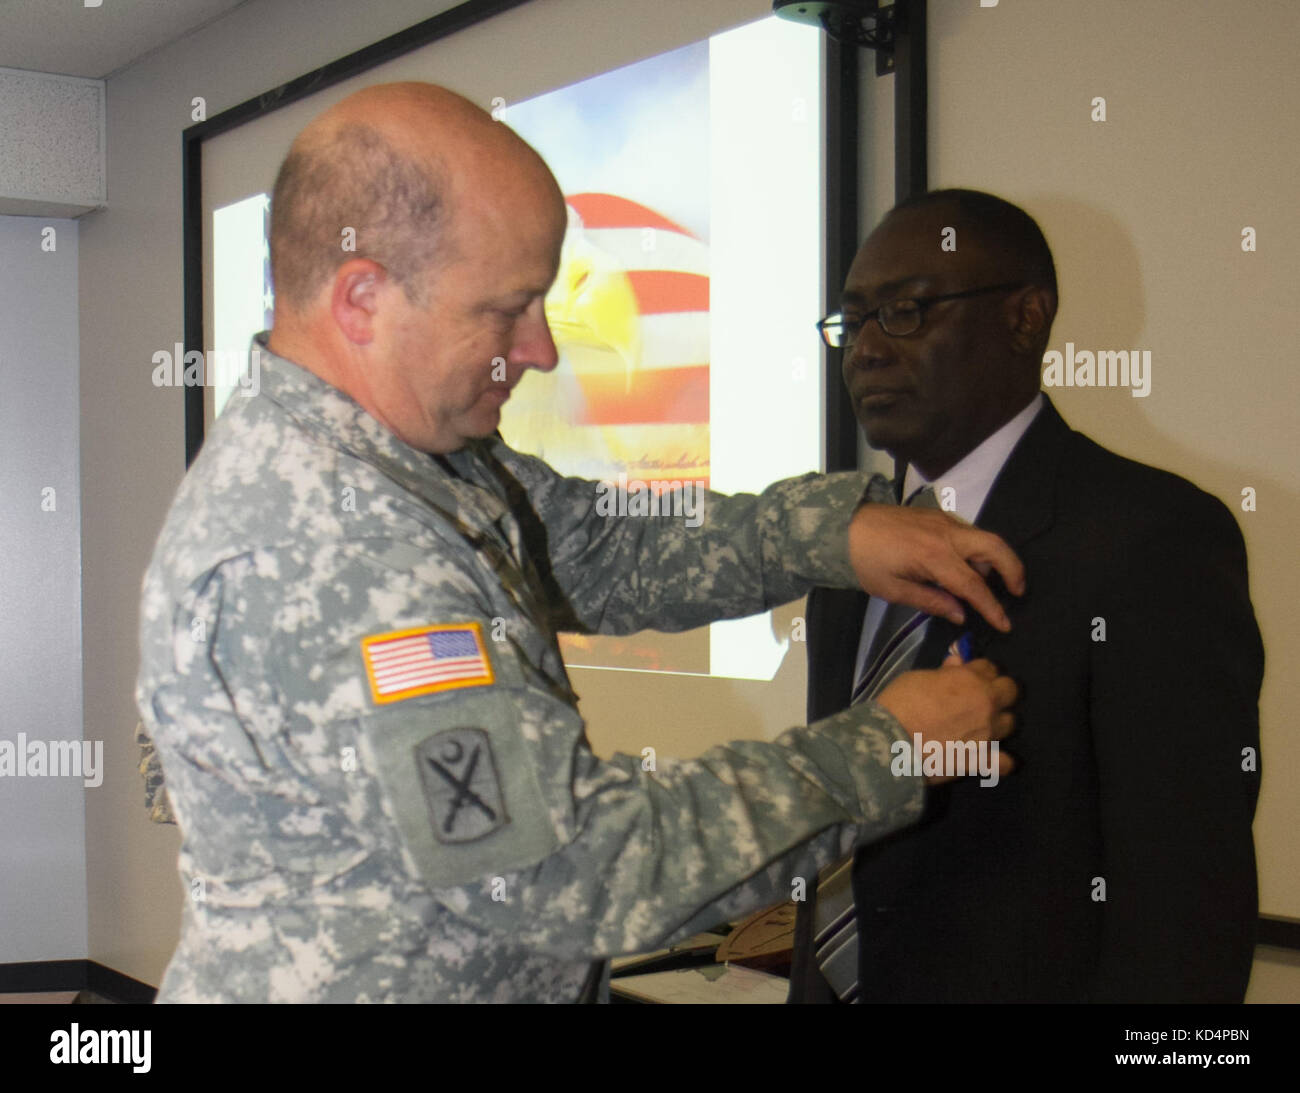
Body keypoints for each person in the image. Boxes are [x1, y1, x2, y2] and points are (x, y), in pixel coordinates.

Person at [136, 86, 1025, 1003]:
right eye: (506, 309)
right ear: (364, 300)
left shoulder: (423, 459)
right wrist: (891, 747)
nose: (543, 350)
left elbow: (596, 547)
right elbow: (578, 872)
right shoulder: (332, 551)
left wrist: (825, 531)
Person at [788, 189, 1263, 1004]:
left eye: (902, 312)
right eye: (851, 320)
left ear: (1025, 318)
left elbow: (1187, 910)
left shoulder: (1151, 537)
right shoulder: (852, 549)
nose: (864, 350)